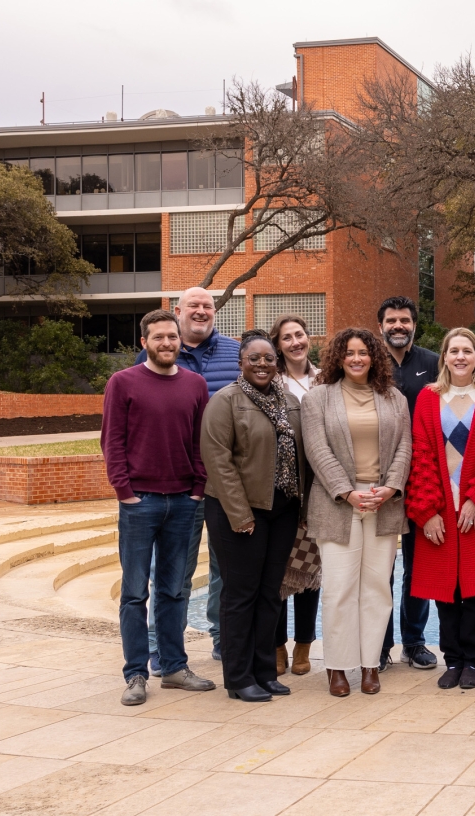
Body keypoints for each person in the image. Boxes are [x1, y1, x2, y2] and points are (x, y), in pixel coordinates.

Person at [106, 308, 218, 706]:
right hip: (140, 503)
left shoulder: (195, 384)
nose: (167, 343)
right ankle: (136, 674)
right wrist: (125, 493)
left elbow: (199, 442)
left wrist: (197, 488)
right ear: (145, 343)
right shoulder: (123, 382)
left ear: (179, 339)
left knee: (174, 590)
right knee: (135, 593)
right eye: (159, 338)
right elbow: (112, 441)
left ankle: (173, 667)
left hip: (184, 502)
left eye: (172, 336)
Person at [302, 327, 412, 697]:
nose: (356, 358)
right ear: (339, 357)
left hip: (384, 504)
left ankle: (369, 665)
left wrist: (391, 487)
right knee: (338, 589)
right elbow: (317, 450)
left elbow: (404, 448)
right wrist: (347, 492)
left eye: (364, 352)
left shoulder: (394, 398)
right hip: (337, 505)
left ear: (374, 357)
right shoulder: (318, 398)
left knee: (378, 589)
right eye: (349, 352)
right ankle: (337, 667)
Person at [135, 287, 240, 670]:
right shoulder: (154, 354)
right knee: (173, 571)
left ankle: (220, 637)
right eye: (193, 305)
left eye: (207, 306)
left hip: (229, 482)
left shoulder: (235, 353)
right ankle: (161, 645)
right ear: (178, 311)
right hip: (181, 484)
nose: (201, 311)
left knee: (224, 568)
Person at [201, 331, 309, 702]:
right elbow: (218, 462)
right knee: (240, 594)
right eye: (254, 358)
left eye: (268, 359)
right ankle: (238, 676)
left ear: (277, 363)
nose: (262, 364)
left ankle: (264, 671)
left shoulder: (289, 401)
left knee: (270, 594)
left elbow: (301, 458)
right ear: (241, 362)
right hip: (239, 512)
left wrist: (302, 507)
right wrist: (240, 514)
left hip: (281, 511)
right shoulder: (225, 401)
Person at [406, 329, 475, 690]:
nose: (460, 357)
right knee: (445, 592)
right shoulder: (428, 398)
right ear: (444, 357)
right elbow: (420, 455)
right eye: (454, 351)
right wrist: (427, 512)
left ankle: (472, 660)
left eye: (467, 350)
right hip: (439, 508)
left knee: (474, 591)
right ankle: (452, 661)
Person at [377, 296, 439, 673]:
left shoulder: (433, 364)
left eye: (404, 320)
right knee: (380, 569)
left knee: (419, 569)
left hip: (423, 481)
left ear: (415, 324)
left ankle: (413, 642)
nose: (398, 326)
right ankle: (379, 645)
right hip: (380, 483)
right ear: (381, 324)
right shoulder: (367, 362)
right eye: (391, 321)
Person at [270, 314, 320, 677]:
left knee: (309, 571)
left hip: (317, 487)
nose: (295, 342)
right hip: (280, 489)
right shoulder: (270, 382)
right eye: (286, 338)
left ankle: (304, 645)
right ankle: (276, 646)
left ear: (308, 338)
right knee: (275, 570)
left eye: (299, 335)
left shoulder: (325, 379)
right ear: (278, 344)